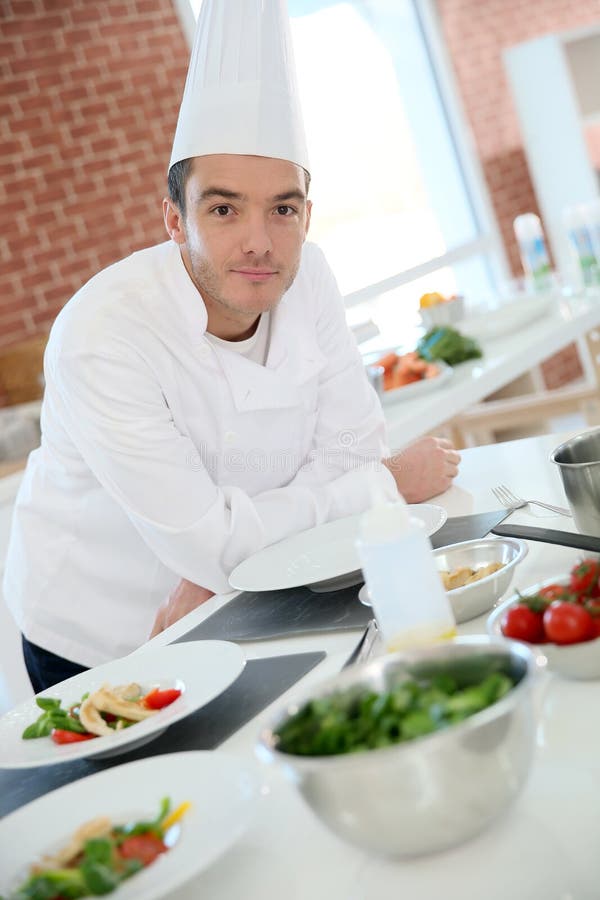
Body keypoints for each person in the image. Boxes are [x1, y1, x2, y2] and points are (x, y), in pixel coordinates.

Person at [3, 0, 460, 692]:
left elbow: (347, 451)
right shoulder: (103, 337)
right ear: (173, 221)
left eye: (283, 208)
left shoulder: (313, 278)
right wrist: (382, 487)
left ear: (307, 213)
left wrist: (220, 561)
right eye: (223, 209)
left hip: (255, 596)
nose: (259, 240)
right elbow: (238, 532)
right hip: (108, 640)